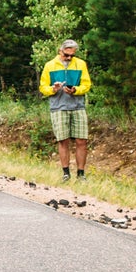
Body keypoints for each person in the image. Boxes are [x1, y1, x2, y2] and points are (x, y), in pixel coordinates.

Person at [39, 39, 92, 182]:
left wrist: (76, 90)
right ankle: (66, 173)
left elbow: (86, 85)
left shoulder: (81, 64)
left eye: (72, 56)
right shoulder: (50, 66)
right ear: (60, 51)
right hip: (58, 106)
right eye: (66, 55)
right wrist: (53, 89)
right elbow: (43, 87)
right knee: (63, 140)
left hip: (77, 106)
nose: (69, 58)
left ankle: (81, 174)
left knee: (82, 140)